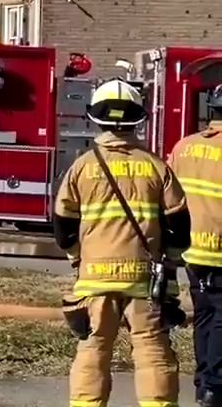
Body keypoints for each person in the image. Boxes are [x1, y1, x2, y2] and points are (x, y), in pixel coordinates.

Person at [53, 77, 190, 407]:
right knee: (152, 349)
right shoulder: (156, 167)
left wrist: (78, 258)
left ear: (95, 118)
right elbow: (180, 226)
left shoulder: (81, 168)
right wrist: (168, 261)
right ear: (137, 119)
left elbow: (63, 228)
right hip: (144, 280)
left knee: (93, 347)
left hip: (94, 279)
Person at [170, 84, 222, 406]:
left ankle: (204, 383)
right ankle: (214, 386)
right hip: (219, 249)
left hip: (192, 250)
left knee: (204, 315)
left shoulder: (184, 147)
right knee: (220, 318)